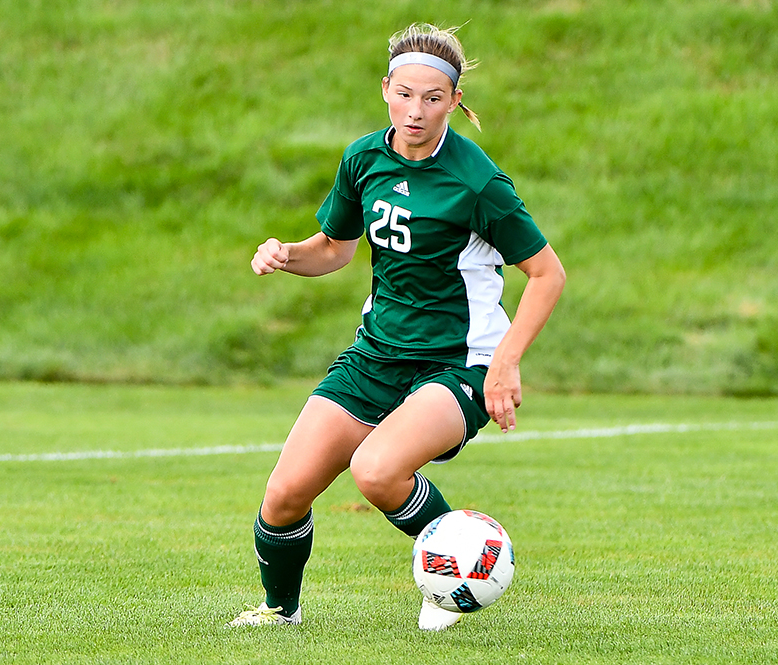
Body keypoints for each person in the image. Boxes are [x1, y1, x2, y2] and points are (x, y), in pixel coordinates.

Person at [227, 23, 565, 631]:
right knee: (282, 498)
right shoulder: (363, 158)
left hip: (458, 362)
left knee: (377, 470)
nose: (416, 111)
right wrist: (285, 253)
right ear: (386, 89)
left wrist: (508, 362)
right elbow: (334, 248)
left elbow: (547, 274)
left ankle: (459, 573)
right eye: (405, 94)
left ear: (454, 101)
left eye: (433, 98)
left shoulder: (477, 182)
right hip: (376, 355)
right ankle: (280, 614)